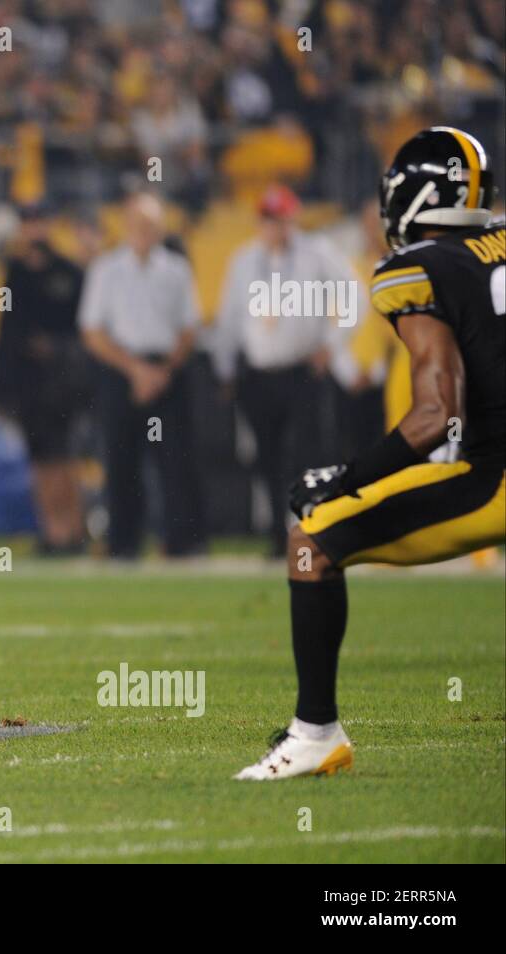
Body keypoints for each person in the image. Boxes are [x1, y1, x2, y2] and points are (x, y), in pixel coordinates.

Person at [236, 127, 505, 780]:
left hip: (494, 475)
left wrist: (346, 478)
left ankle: (316, 732)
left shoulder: (418, 268)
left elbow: (438, 415)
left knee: (313, 538)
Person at [210, 184, 359, 556]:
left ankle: (316, 532)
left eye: (283, 220)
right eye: (271, 220)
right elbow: (229, 319)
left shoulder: (317, 253)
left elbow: (354, 296)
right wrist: (225, 369)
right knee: (267, 458)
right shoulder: (244, 259)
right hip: (259, 375)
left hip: (303, 371)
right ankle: (280, 540)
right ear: (261, 222)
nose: (278, 228)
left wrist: (332, 345)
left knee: (309, 454)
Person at [79, 193, 206, 558]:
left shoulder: (176, 269)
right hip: (120, 372)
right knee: (120, 460)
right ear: (125, 226)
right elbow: (93, 331)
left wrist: (161, 371)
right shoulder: (106, 269)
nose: (144, 231)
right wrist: (136, 370)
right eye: (137, 224)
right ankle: (124, 543)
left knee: (175, 460)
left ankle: (183, 543)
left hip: (167, 372)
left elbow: (189, 327)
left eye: (150, 225)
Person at [0, 203, 90, 554]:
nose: (32, 229)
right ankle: (52, 532)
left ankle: (73, 530)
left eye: (38, 222)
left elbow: (86, 328)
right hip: (28, 385)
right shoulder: (14, 274)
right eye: (27, 222)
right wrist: (1, 388)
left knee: (64, 457)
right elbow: (6, 335)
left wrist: (58, 349)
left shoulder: (67, 272)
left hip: (64, 382)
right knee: (39, 460)